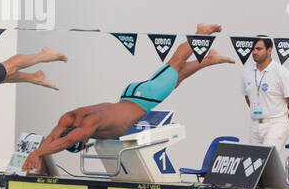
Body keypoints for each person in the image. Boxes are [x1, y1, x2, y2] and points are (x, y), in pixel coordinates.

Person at [21, 26, 229, 175]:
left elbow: (66, 140)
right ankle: (208, 60)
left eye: (81, 143)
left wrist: (37, 153)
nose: (85, 143)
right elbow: (54, 136)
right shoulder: (69, 117)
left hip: (142, 99)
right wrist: (37, 155)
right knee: (176, 77)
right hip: (129, 94)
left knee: (175, 63)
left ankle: (200, 34)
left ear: (80, 139)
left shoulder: (88, 124)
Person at [241, 36, 289, 160]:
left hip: (276, 123)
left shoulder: (281, 72)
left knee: (266, 160)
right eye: (253, 49)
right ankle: (275, 179)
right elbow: (248, 97)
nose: (254, 52)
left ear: (269, 50)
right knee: (253, 162)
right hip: (255, 123)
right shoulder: (247, 72)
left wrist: (285, 121)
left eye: (258, 49)